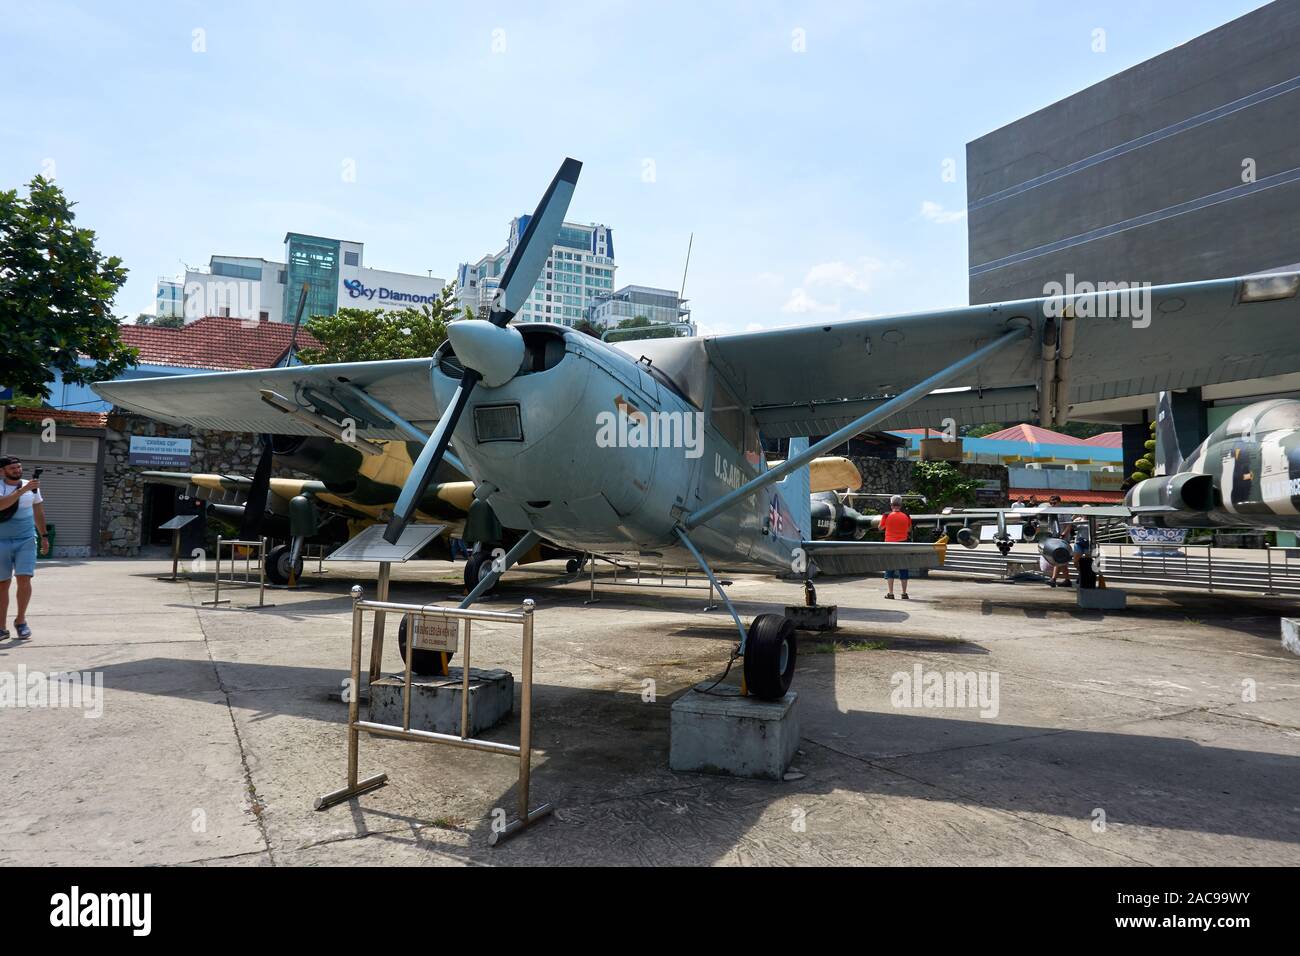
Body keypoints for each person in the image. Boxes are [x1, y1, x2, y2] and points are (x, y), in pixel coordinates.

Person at [0, 455, 50, 640]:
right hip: (1, 540)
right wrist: (23, 490)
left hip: (26, 539)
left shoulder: (31, 486)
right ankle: (1, 627)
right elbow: (1, 505)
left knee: (24, 579)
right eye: (13, 468)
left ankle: (21, 621)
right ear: (2, 471)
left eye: (19, 467)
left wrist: (44, 535)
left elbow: (38, 510)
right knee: (2, 584)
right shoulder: (3, 486)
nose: (17, 471)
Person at [880, 494, 913, 600]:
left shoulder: (886, 515)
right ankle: (904, 593)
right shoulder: (906, 516)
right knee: (903, 568)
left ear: (891, 505)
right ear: (901, 505)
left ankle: (891, 593)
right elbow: (909, 529)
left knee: (890, 568)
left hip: (889, 544)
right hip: (903, 544)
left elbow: (880, 527)